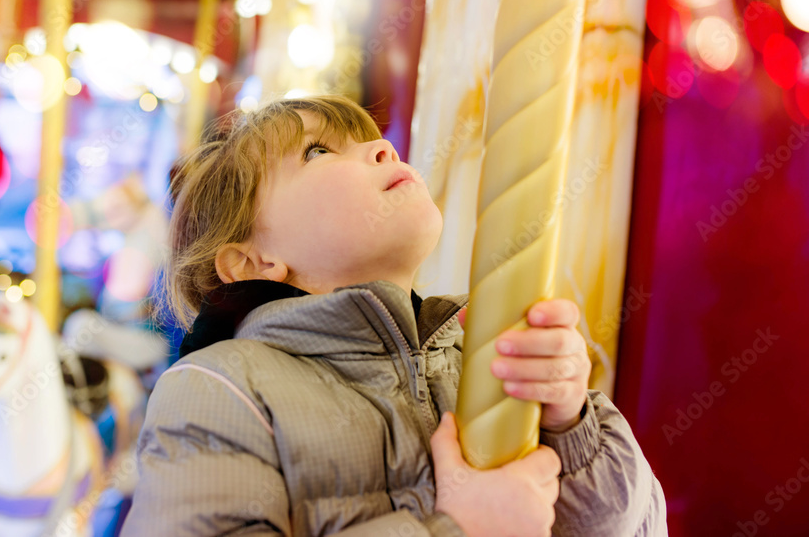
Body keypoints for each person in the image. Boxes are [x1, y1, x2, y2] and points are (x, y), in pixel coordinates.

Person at [120, 94, 667, 536]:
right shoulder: (220, 388)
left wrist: (570, 426)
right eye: (317, 151)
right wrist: (453, 529)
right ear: (254, 260)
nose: (383, 147)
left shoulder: (470, 354)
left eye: (370, 138)